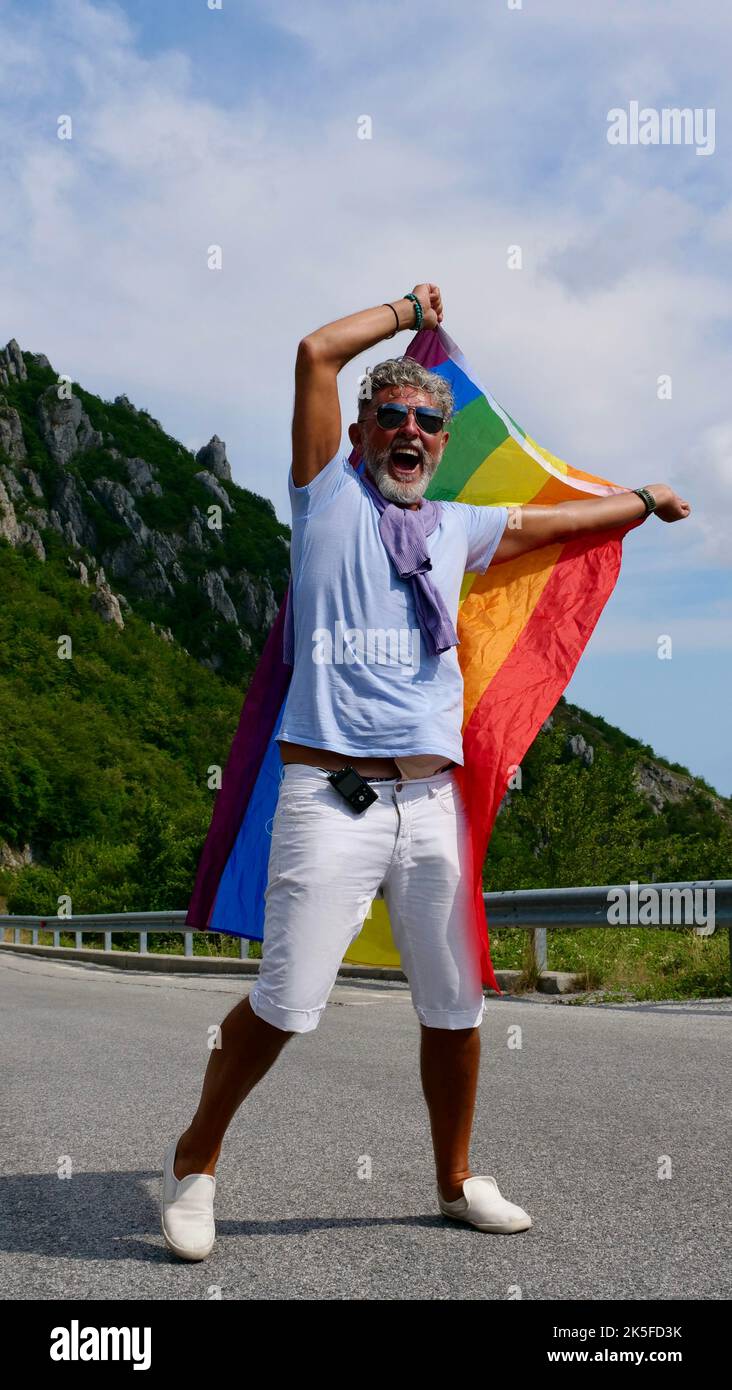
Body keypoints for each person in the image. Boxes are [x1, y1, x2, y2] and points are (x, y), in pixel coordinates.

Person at [161, 283, 691, 1260]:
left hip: (432, 803)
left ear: (441, 442)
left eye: (426, 421)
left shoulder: (455, 529)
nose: (409, 431)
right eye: (392, 416)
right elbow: (315, 349)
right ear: (361, 430)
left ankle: (454, 1179)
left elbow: (542, 529)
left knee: (456, 1005)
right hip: (333, 796)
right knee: (288, 997)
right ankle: (195, 1161)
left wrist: (644, 503)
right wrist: (407, 309)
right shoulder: (324, 498)